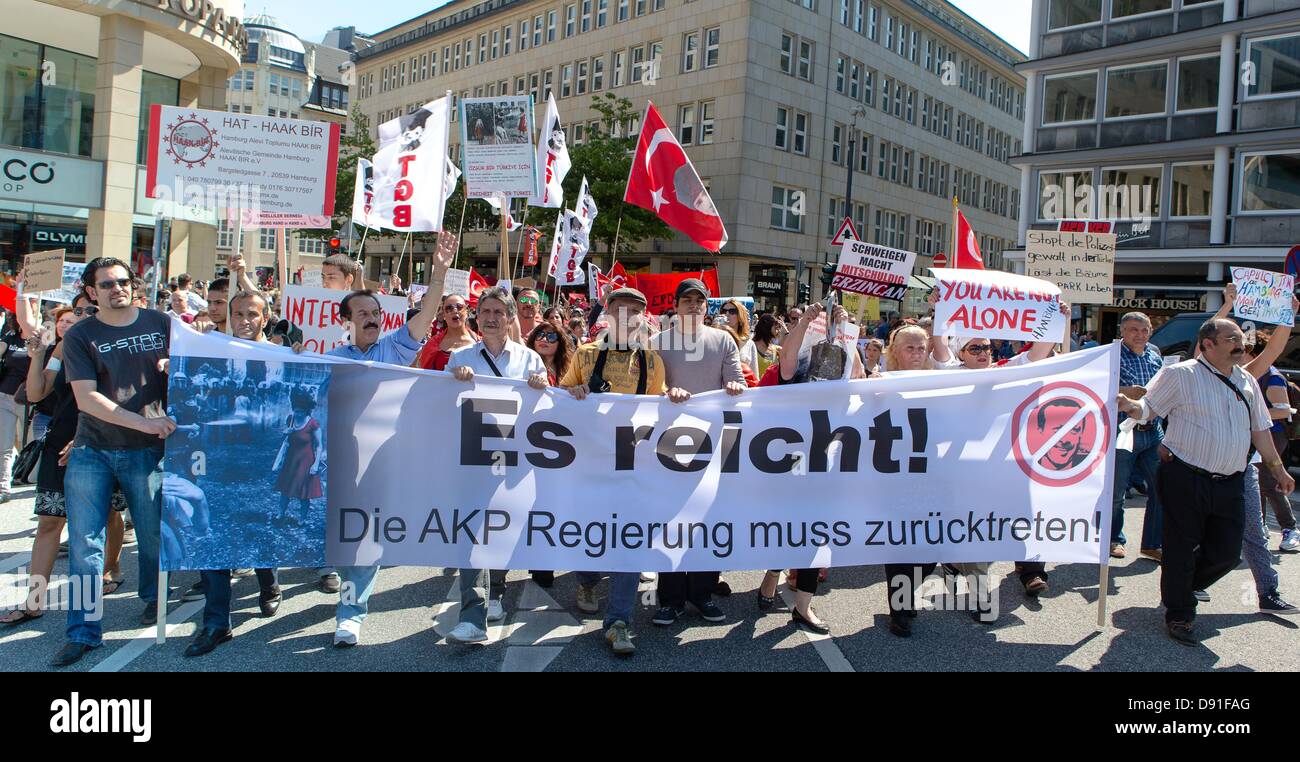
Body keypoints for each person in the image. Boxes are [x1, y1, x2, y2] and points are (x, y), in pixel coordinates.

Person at [1117, 318, 1295, 645]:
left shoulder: (1246, 381)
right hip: (1185, 477)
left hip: (1230, 482)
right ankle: (1180, 613)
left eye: (1240, 338)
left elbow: (1260, 430)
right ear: (1208, 344)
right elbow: (1149, 408)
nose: (1238, 343)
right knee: (1181, 548)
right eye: (1231, 338)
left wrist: (1278, 468)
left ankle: (1181, 585)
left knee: (1227, 552)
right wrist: (1130, 406)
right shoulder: (1179, 375)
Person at [52, 258, 174, 668]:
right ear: (91, 292)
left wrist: (177, 371)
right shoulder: (81, 334)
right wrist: (141, 421)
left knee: (154, 535)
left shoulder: (162, 323)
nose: (117, 288)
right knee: (86, 546)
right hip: (93, 449)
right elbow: (86, 398)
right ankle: (83, 632)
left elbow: (198, 372)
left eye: (123, 281)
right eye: (106, 284)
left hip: (146, 451)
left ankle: (155, 601)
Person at [2, 296, 129, 628]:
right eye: (79, 312)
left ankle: (111, 569)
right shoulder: (61, 350)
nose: (83, 316)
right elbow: (36, 393)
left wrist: (87, 436)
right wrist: (37, 355)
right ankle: (34, 601)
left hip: (101, 441)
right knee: (48, 522)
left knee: (109, 514)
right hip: (59, 444)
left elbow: (123, 401)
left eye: (90, 311)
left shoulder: (114, 349)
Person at [327, 286, 440, 647]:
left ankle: (350, 614)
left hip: (382, 459)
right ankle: (346, 589)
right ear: (345, 321)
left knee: (362, 537)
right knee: (345, 535)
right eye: (361, 313)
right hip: (341, 459)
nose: (371, 317)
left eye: (375, 311)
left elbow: (426, 314)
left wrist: (438, 271)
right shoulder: (332, 358)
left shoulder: (393, 348)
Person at [185, 290, 294, 657]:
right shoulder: (212, 351)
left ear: (265, 318)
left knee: (257, 526)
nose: (244, 320)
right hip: (218, 456)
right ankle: (216, 621)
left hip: (262, 456)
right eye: (237, 313)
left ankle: (270, 583)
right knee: (212, 536)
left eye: (252, 314)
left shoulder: (281, 357)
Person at [562, 287, 668, 654]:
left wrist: (677, 400)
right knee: (589, 533)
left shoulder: (652, 362)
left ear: (642, 318)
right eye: (619, 309)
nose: (627, 316)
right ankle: (589, 580)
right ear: (606, 314)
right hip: (590, 463)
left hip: (632, 464)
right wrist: (573, 393)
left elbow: (660, 411)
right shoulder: (585, 354)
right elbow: (561, 399)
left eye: (634, 311)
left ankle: (618, 621)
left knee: (630, 541)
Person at [444, 286, 548, 645]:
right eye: (484, 311)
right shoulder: (459, 357)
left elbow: (542, 411)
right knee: (471, 532)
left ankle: (497, 591)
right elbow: (441, 407)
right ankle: (472, 615)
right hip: (472, 458)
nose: (490, 318)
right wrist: (452, 385)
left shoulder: (529, 360)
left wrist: (541, 386)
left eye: (498, 313)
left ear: (509, 318)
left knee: (501, 529)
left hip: (512, 458)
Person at [649, 278, 746, 626]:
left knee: (708, 520)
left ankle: (702, 594)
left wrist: (734, 386)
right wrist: (665, 391)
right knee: (672, 521)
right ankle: (670, 599)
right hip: (670, 445)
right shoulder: (658, 342)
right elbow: (650, 385)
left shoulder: (723, 340)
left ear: (707, 307)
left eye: (699, 301)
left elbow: (738, 381)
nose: (693, 306)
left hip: (713, 444)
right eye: (686, 300)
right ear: (676, 306)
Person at [752, 302, 846, 635]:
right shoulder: (796, 369)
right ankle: (773, 573)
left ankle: (803, 607)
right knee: (788, 529)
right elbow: (787, 357)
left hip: (828, 462)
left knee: (817, 534)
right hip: (790, 464)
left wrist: (846, 333)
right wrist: (805, 321)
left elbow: (860, 378)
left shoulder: (844, 361)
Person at [1109, 312, 1166, 563]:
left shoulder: (1155, 355)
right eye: (1134, 329)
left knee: (1162, 489)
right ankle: (1113, 539)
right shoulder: (1110, 355)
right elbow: (1096, 385)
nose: (1140, 335)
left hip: (1153, 431)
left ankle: (1153, 544)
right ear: (1122, 330)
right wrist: (1124, 391)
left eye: (1145, 330)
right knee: (1116, 492)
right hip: (1123, 432)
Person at [0, 309, 32, 502]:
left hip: (31, 402)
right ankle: (3, 487)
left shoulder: (44, 337)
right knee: (4, 445)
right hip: (4, 397)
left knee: (33, 445)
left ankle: (30, 481)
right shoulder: (10, 338)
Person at [416, 294, 477, 371]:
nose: (455, 311)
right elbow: (421, 375)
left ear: (466, 311)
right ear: (444, 315)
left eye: (459, 307)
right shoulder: (432, 344)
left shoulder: (479, 343)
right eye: (449, 308)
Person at [526, 321, 572, 387]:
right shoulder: (524, 364)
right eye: (540, 335)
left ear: (560, 344)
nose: (544, 339)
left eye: (551, 337)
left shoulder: (568, 371)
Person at [719, 298, 759, 373]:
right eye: (723, 311)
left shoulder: (749, 344)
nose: (727, 314)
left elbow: (754, 376)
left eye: (732, 311)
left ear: (740, 316)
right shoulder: (715, 340)